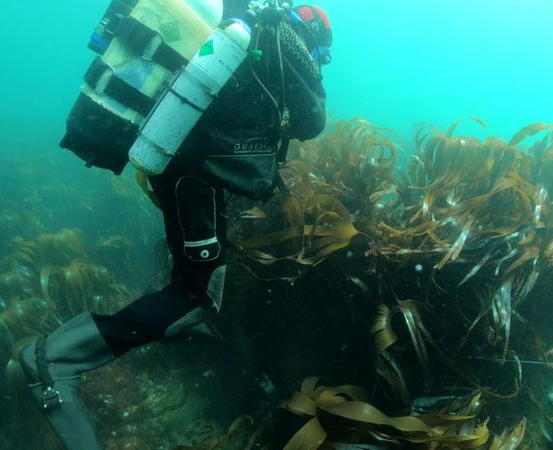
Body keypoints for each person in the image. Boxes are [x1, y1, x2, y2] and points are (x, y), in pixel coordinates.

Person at [18, 2, 332, 449]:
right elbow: (312, 120)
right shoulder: (283, 37)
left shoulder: (243, 25)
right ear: (313, 35)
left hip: (179, 160)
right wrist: (309, 69)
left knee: (201, 274)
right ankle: (56, 360)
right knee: (196, 293)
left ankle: (184, 319)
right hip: (191, 173)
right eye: (321, 52)